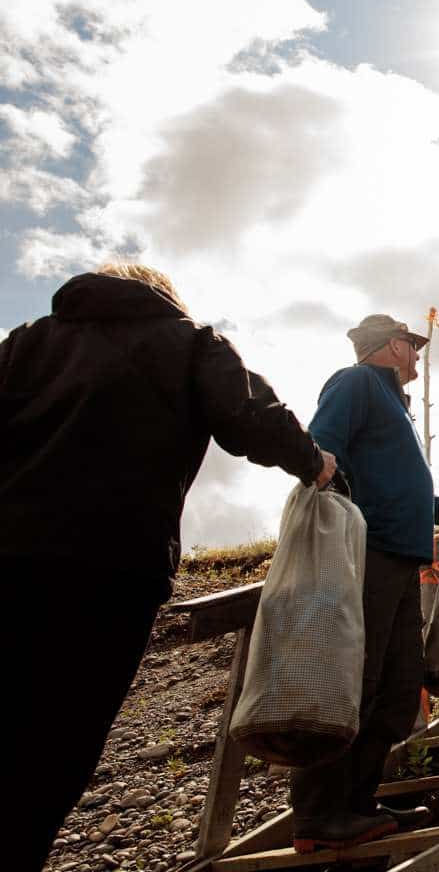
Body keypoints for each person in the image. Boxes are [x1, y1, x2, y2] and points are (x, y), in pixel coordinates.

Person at [0, 264, 336, 872]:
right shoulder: (190, 341)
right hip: (107, 571)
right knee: (53, 745)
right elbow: (250, 415)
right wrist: (314, 462)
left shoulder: (28, 341)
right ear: (163, 294)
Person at [290, 313, 439, 854]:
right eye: (413, 346)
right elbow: (321, 454)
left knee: (399, 688)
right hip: (366, 554)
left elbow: (394, 479)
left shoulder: (392, 404)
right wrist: (351, 521)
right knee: (356, 680)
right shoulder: (354, 383)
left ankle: (358, 804)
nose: (418, 356)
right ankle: (318, 813)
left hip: (400, 557)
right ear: (393, 346)